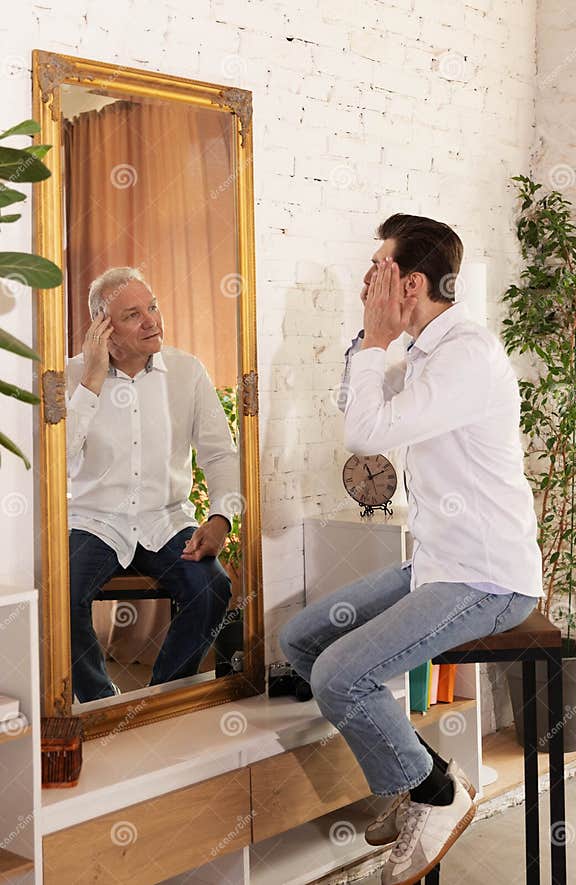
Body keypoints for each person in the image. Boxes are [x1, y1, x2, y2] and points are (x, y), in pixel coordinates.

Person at [280, 214, 542, 884]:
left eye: (379, 269)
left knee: (338, 676)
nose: (367, 281)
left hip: (485, 577)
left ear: (412, 283)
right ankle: (420, 774)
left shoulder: (466, 356)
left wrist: (376, 338)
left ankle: (435, 793)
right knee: (302, 642)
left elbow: (367, 435)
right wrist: (373, 338)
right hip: (434, 563)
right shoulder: (423, 352)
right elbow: (354, 405)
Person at [66, 266, 238, 702]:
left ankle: (159, 700)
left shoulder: (187, 371)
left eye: (153, 307)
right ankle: (102, 704)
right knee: (61, 594)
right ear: (104, 327)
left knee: (211, 588)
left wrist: (221, 518)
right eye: (133, 315)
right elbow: (58, 461)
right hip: (94, 521)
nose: (152, 321)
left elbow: (220, 454)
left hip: (166, 519)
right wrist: (91, 381)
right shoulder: (72, 376)